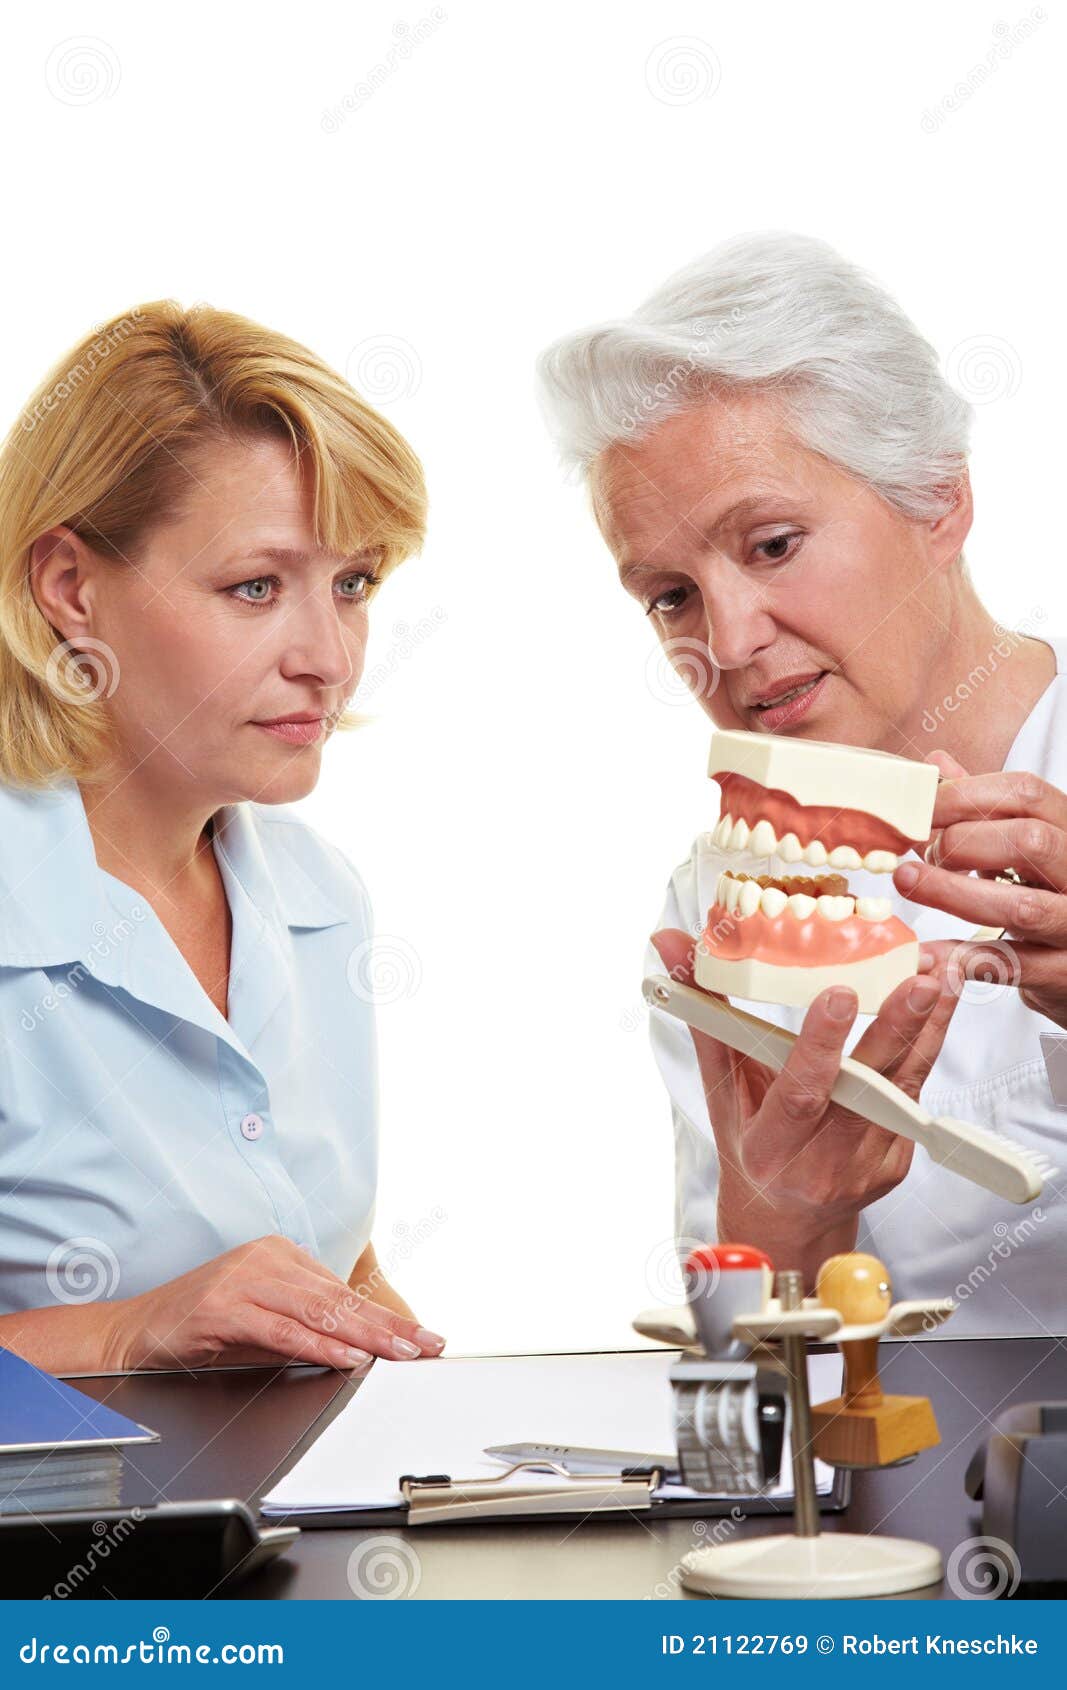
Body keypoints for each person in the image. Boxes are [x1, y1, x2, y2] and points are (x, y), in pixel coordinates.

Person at [537, 232, 1064, 1333]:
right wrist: (783, 1219)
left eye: (772, 544)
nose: (726, 640)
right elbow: (741, 1382)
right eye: (669, 595)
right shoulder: (724, 908)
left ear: (937, 498)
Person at [0, 300, 446, 1372]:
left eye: (352, 585)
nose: (328, 658)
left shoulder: (317, 897)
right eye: (256, 587)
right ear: (69, 589)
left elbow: (320, 1257)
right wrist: (123, 1327)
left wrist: (430, 1398)